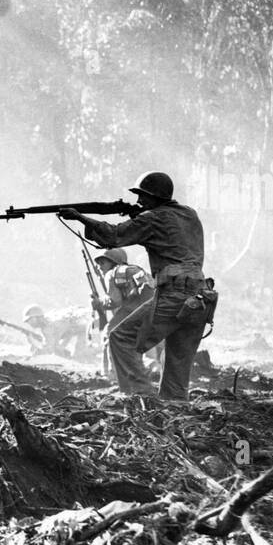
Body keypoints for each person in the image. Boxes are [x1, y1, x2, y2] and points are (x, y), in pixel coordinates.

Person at [59, 171, 214, 401]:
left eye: (142, 196)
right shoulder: (189, 214)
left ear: (155, 197)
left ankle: (139, 395)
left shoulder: (152, 219)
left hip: (173, 295)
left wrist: (81, 218)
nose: (139, 202)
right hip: (200, 297)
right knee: (177, 360)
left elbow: (113, 236)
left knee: (120, 338)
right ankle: (175, 409)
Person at [93, 248, 161, 379]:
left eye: (103, 263)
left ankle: (111, 374)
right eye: (98, 263)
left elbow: (115, 301)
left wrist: (99, 302)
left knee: (109, 333)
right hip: (154, 307)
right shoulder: (135, 270)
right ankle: (154, 367)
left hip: (134, 308)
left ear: (114, 262)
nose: (100, 267)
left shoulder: (112, 274)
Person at [23, 304, 89, 359]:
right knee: (78, 356)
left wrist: (34, 348)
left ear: (37, 317)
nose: (29, 323)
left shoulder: (48, 327)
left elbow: (50, 350)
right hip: (87, 325)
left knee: (80, 357)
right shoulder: (49, 320)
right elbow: (68, 332)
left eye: (30, 320)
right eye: (27, 321)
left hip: (90, 325)